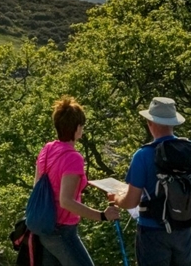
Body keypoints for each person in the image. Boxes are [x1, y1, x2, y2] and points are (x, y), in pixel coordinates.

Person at [109, 97, 191, 266]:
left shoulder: (143, 155)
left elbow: (131, 201)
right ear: (173, 123)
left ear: (150, 123)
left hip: (152, 231)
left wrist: (117, 198)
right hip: (184, 229)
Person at [34, 96, 120, 266]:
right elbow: (66, 201)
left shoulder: (48, 149)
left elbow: (37, 186)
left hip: (44, 228)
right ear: (77, 128)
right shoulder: (73, 158)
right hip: (62, 231)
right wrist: (102, 216)